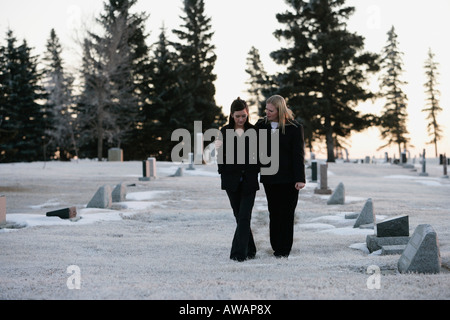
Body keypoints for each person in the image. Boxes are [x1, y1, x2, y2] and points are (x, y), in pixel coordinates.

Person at [256, 95, 306, 258]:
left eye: (270, 110)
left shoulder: (294, 127)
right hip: (270, 178)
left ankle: (284, 249)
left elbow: (297, 155)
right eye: (266, 109)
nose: (267, 112)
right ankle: (276, 246)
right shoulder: (261, 125)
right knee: (274, 212)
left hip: (290, 179)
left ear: (280, 110)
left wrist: (300, 178)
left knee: (287, 213)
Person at [217, 98, 259, 262]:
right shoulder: (224, 131)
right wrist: (225, 172)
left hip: (249, 180)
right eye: (237, 116)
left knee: (244, 216)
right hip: (231, 181)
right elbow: (220, 157)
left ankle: (238, 254)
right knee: (239, 216)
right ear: (232, 115)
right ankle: (251, 249)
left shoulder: (254, 131)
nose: (241, 119)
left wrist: (252, 169)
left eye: (243, 116)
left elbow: (259, 156)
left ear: (247, 114)